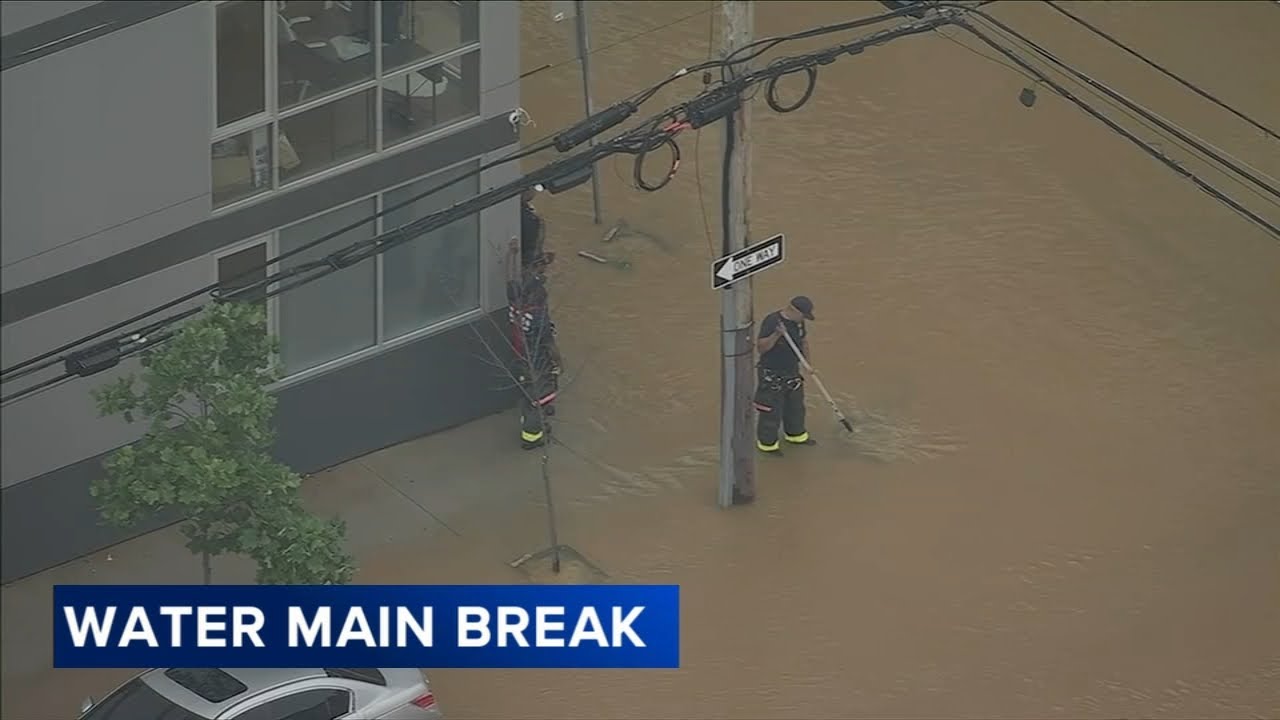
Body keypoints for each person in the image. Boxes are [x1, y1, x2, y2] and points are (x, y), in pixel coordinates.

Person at [755, 296, 817, 455]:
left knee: (796, 408)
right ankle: (768, 446)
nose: (804, 319)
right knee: (771, 412)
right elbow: (761, 348)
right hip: (772, 374)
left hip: (792, 372)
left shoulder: (799, 322)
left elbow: (804, 342)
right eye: (803, 315)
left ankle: (796, 436)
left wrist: (807, 364)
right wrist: (777, 335)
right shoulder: (772, 321)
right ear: (794, 311)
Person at [508, 272, 560, 450]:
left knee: (529, 392)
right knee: (537, 397)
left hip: (521, 356)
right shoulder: (537, 316)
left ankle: (541, 411)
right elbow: (548, 343)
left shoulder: (516, 307)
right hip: (536, 361)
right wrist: (559, 363)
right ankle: (532, 438)